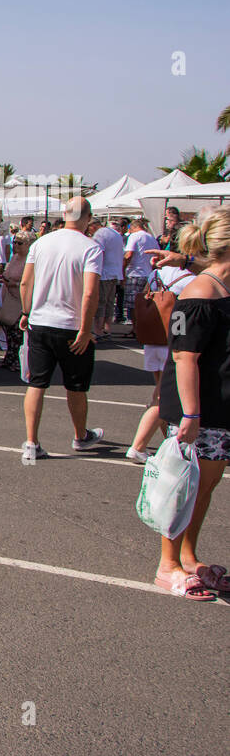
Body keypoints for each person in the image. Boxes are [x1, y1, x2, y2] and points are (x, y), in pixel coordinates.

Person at [152, 207, 230, 599]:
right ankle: (168, 565)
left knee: (207, 484)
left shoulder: (221, 286)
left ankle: (189, 555)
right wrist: (191, 414)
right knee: (185, 486)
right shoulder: (199, 294)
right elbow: (184, 357)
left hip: (219, 406)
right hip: (199, 409)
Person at [18, 196, 104, 463]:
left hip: (40, 321)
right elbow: (90, 293)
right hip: (71, 326)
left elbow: (25, 283)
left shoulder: (41, 242)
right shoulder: (91, 248)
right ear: (88, 218)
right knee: (76, 386)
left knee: (36, 384)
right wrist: (86, 329)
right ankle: (80, 435)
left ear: (64, 214)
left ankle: (31, 441)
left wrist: (26, 311)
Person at [125, 262, 197, 463]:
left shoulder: (157, 273)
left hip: (152, 337)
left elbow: (148, 295)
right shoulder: (191, 279)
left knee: (162, 392)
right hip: (171, 341)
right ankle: (138, 446)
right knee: (162, 397)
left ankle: (170, 443)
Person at [0, 232, 33, 371]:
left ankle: (18, 361)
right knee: (10, 330)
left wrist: (15, 284)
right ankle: (9, 358)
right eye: (14, 242)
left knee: (18, 333)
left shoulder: (29, 261)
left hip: (22, 299)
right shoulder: (15, 258)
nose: (15, 245)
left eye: (19, 243)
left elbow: (30, 282)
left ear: (28, 245)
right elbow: (7, 274)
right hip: (11, 298)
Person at [91, 214, 125, 337]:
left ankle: (98, 329)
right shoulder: (115, 233)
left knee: (101, 302)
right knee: (110, 302)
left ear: (93, 226)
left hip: (104, 273)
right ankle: (107, 327)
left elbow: (98, 253)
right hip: (115, 272)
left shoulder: (100, 234)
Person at [122, 219, 160, 327]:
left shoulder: (134, 236)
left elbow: (129, 255)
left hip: (135, 273)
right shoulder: (151, 237)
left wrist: (123, 270)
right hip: (148, 274)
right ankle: (142, 327)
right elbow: (157, 256)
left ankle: (136, 328)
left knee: (133, 304)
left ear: (133, 227)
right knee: (145, 303)